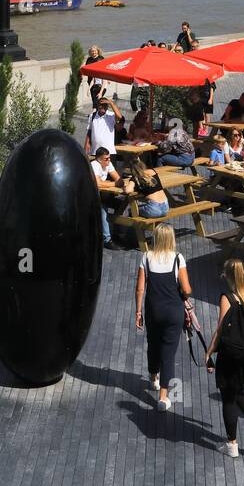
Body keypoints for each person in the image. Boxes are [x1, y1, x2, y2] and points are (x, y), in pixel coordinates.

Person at [205, 258, 244, 458]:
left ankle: (232, 444)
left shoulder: (227, 298)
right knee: (239, 389)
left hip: (230, 354)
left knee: (229, 397)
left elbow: (220, 330)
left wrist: (209, 353)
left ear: (228, 277)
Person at [135, 224, 191, 411]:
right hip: (173, 312)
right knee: (168, 354)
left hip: (153, 311)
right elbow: (186, 289)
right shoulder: (178, 258)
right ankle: (163, 397)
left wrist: (138, 312)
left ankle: (153, 376)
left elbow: (140, 288)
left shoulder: (146, 257)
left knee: (153, 344)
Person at [90, 147, 125, 252]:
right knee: (103, 207)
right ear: (99, 159)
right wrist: (113, 184)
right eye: (106, 159)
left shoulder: (107, 163)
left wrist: (111, 183)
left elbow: (118, 179)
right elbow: (98, 184)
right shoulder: (94, 165)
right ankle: (107, 239)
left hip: (102, 194)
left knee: (121, 204)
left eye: (109, 158)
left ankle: (117, 232)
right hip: (90, 196)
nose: (109, 160)